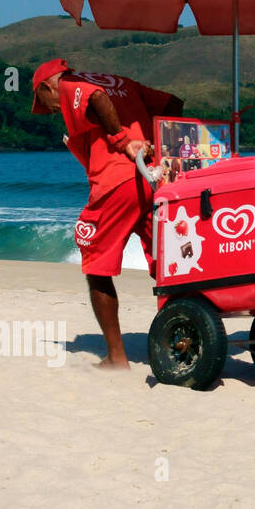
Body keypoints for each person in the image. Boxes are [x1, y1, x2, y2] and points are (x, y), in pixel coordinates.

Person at [30, 59, 183, 369]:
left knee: (97, 266)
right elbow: (172, 103)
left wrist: (122, 142)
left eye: (43, 103)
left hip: (116, 183)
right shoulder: (121, 81)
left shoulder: (71, 85)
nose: (50, 111)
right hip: (153, 178)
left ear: (47, 87)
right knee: (169, 266)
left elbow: (96, 98)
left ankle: (116, 357)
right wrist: (160, 144)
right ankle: (182, 338)